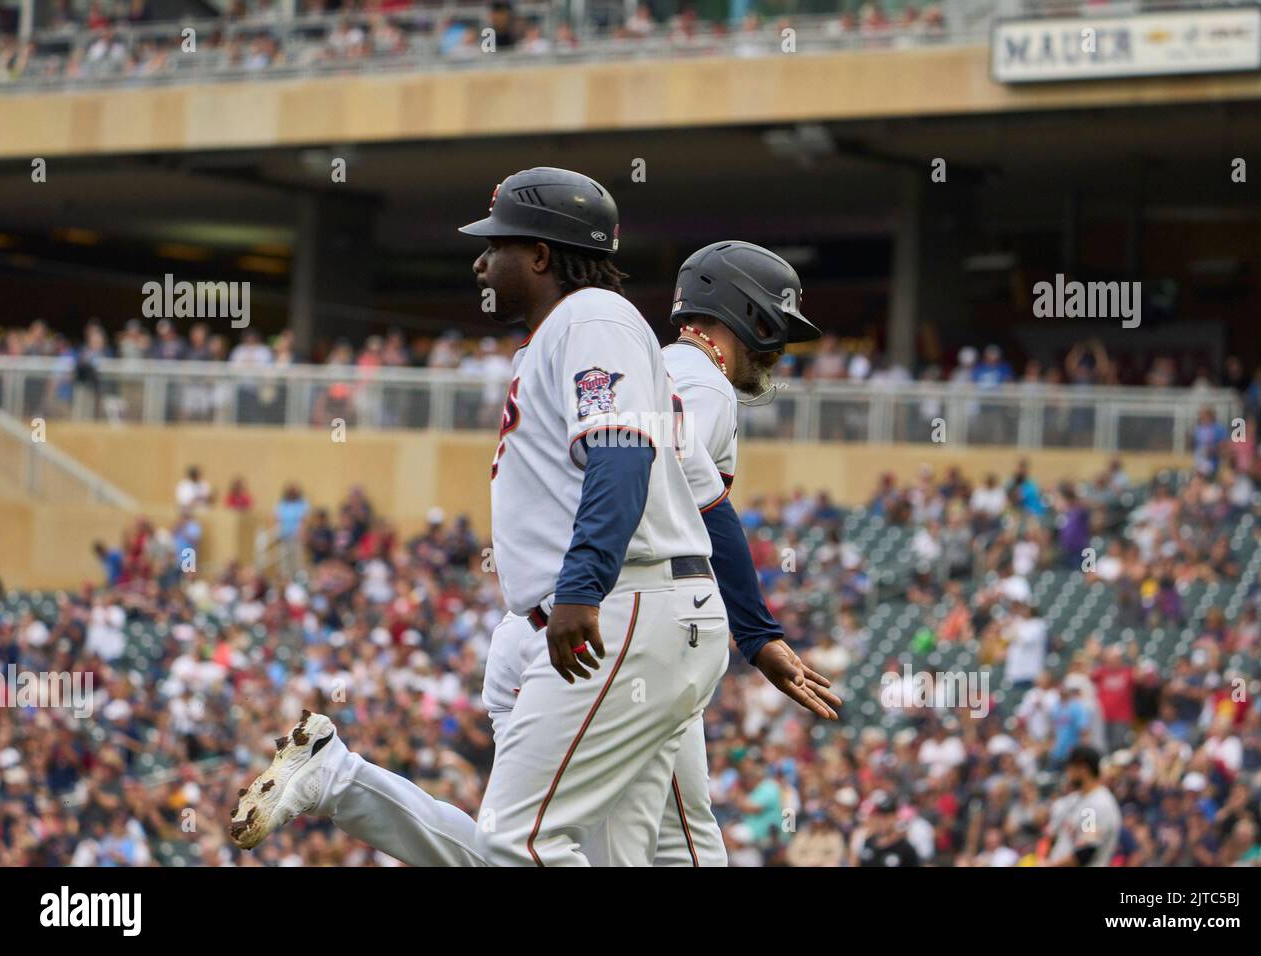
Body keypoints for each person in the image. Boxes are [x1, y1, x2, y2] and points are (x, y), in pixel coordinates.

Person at [231, 169, 834, 866]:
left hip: (623, 605)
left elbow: (623, 457)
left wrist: (586, 586)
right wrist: (750, 630)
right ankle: (343, 781)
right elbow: (700, 494)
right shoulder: (578, 333)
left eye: (498, 246)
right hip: (628, 609)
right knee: (659, 851)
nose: (481, 261)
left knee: (523, 842)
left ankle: (343, 781)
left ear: (543, 255)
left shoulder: (595, 318)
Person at [1044, 745, 1122, 867]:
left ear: (1083, 769)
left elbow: (1084, 854)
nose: (1067, 772)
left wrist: (1050, 865)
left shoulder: (1097, 805)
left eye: (1070, 767)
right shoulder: (1073, 799)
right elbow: (1051, 836)